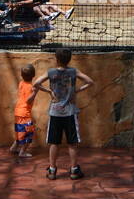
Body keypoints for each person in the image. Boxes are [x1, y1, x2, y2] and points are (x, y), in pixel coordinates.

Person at [34, 48, 94, 181]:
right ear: (69, 59)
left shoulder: (51, 72)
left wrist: (49, 91)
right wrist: (77, 91)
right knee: (72, 143)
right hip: (70, 112)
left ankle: (52, 170)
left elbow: (36, 83)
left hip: (55, 111)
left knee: (54, 142)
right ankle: (73, 170)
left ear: (56, 59)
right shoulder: (73, 72)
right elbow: (90, 82)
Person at [11, 64, 37, 158]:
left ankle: (14, 147)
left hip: (18, 111)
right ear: (33, 75)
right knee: (29, 133)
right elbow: (28, 100)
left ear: (22, 76)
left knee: (20, 131)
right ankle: (22, 152)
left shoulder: (21, 83)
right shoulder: (31, 87)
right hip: (24, 113)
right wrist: (35, 92)